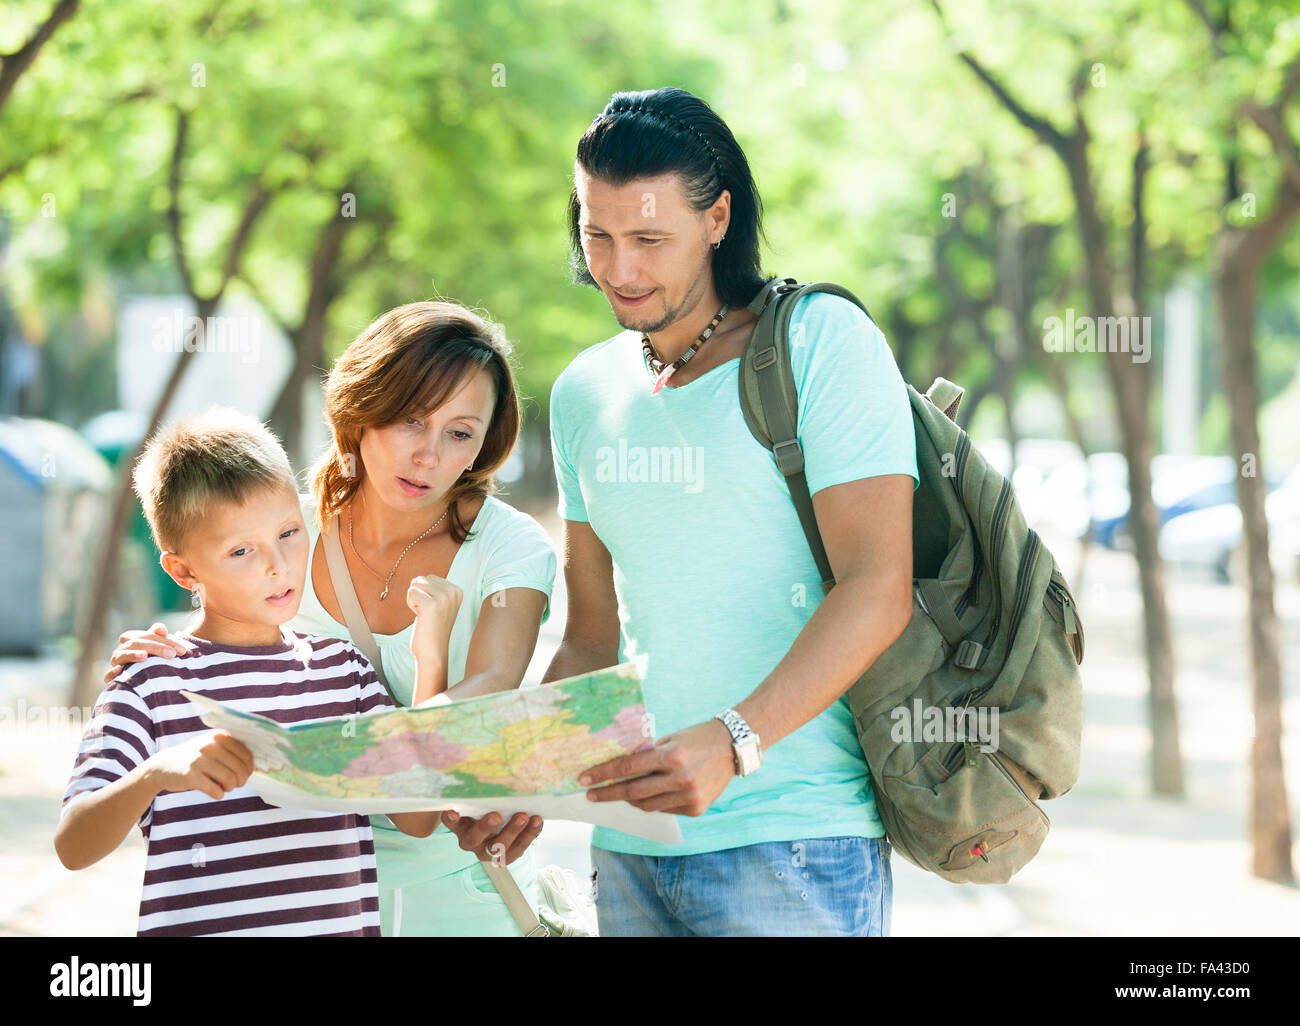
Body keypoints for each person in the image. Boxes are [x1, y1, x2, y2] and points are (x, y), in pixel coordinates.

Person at [544, 87, 918, 936]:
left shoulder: (821, 341)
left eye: (648, 239)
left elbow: (877, 587)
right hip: (630, 850)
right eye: (596, 236)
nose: (619, 269)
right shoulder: (583, 394)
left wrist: (733, 740)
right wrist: (514, 779)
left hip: (795, 849)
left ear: (716, 220)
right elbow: (591, 641)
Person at [103, 301, 557, 936]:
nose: (429, 455)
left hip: (450, 890)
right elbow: (226, 642)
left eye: (460, 432)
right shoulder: (289, 531)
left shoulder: (511, 547)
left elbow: (486, 690)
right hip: (295, 892)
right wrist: (161, 658)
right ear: (362, 409)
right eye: (410, 420)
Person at [55, 407, 443, 936]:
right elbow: (73, 846)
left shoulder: (343, 672)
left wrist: (431, 658)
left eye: (288, 532)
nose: (277, 565)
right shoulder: (152, 682)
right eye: (241, 550)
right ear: (182, 569)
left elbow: (419, 819)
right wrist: (156, 774)